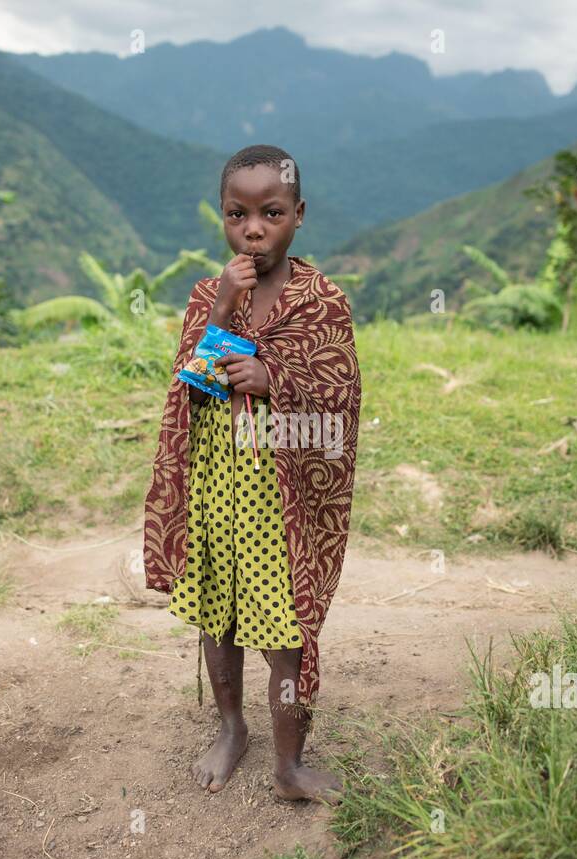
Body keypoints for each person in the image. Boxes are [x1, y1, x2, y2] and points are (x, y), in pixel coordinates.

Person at [143, 145, 362, 803]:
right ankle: (233, 727)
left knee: (286, 632)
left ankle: (290, 764)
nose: (254, 229)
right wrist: (221, 310)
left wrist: (275, 379)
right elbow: (191, 387)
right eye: (238, 214)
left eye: (271, 212)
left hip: (281, 502)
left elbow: (338, 394)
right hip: (216, 490)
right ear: (223, 218)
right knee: (218, 617)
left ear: (299, 214)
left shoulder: (321, 298)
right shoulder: (211, 293)